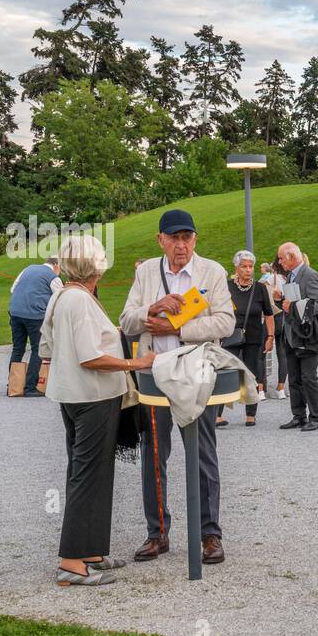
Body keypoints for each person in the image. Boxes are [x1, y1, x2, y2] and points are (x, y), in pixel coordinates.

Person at [119, 209, 235, 565]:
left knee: (202, 452)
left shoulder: (212, 271)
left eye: (187, 237)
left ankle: (210, 534)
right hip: (155, 375)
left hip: (196, 374)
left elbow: (225, 322)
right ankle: (157, 533)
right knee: (154, 454)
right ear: (161, 241)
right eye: (174, 238)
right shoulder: (146, 272)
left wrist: (179, 329)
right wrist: (150, 310)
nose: (180, 245)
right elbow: (126, 321)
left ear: (195, 240)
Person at [40, 235, 155, 586]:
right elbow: (90, 356)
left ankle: (90, 550)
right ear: (96, 267)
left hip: (77, 395)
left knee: (95, 472)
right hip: (92, 397)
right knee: (87, 474)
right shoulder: (78, 300)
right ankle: (71, 562)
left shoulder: (64, 295)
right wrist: (136, 362)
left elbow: (50, 341)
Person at [216, 251, 274, 428]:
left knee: (251, 374)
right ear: (236, 268)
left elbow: (269, 314)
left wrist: (270, 336)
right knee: (224, 373)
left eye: (251, 266)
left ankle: (250, 414)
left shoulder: (260, 288)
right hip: (230, 336)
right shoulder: (226, 287)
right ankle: (218, 415)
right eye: (244, 266)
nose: (248, 270)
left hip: (254, 337)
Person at [276, 241, 318, 432]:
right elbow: (290, 304)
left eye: (281, 258)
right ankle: (298, 416)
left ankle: (315, 418)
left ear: (291, 257)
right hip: (292, 335)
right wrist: (280, 301)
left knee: (308, 378)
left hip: (309, 335)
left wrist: (293, 306)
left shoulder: (310, 274)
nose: (279, 262)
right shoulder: (291, 275)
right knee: (294, 379)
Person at [8, 257, 63, 397]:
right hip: (35, 315)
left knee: (18, 348)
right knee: (37, 349)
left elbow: (13, 289)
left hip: (15, 312)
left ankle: (13, 384)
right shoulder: (53, 277)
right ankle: (30, 387)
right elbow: (61, 298)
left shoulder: (27, 269)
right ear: (56, 265)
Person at [259, 260, 290, 399]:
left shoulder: (272, 278)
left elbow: (263, 295)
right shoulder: (289, 279)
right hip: (285, 318)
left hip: (272, 316)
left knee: (262, 353)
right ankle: (281, 388)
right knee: (283, 354)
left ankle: (260, 389)